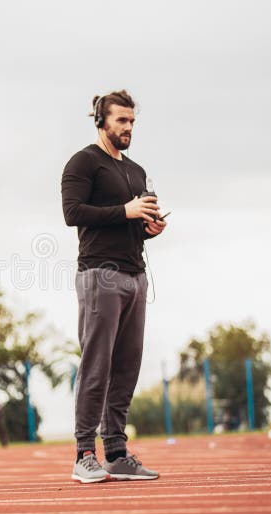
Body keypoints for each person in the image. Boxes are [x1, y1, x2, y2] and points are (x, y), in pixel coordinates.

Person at [61, 90, 166, 483]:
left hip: (136, 276)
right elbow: (72, 213)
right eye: (121, 121)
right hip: (98, 275)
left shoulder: (137, 171)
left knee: (126, 367)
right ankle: (84, 453)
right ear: (101, 121)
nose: (128, 128)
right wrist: (126, 210)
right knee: (96, 366)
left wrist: (150, 227)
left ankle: (117, 453)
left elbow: (136, 224)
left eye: (132, 121)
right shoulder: (83, 162)